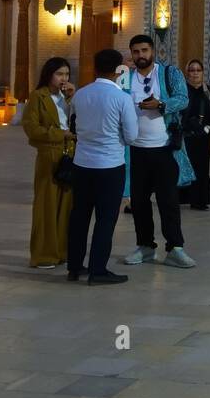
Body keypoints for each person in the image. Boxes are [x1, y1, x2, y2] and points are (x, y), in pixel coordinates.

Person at [118, 34, 196, 269]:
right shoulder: (125, 78)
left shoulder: (169, 73)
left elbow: (183, 99)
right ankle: (145, 246)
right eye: (136, 52)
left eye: (144, 50)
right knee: (139, 203)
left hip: (164, 149)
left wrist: (161, 105)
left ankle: (175, 248)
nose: (140, 55)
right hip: (136, 150)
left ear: (152, 51)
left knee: (168, 201)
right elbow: (116, 102)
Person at [67, 49, 138, 285]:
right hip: (109, 166)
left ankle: (75, 267)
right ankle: (98, 270)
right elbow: (131, 136)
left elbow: (73, 126)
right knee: (106, 219)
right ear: (119, 70)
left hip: (82, 164)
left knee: (79, 217)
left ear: (95, 68)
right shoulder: (122, 98)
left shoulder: (81, 95)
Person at [22, 57, 76, 268]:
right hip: (49, 154)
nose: (64, 78)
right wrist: (59, 134)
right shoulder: (38, 96)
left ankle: (61, 251)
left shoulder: (68, 97)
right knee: (47, 205)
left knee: (66, 207)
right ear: (49, 74)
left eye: (67, 74)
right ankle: (44, 254)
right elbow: (31, 127)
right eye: (59, 74)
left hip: (70, 154)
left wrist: (72, 98)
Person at [179, 59, 210, 210]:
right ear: (187, 73)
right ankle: (186, 198)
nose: (195, 73)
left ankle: (200, 199)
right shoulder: (183, 90)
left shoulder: (207, 90)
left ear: (203, 72)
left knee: (202, 167)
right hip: (187, 136)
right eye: (192, 70)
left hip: (203, 136)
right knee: (188, 166)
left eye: (198, 70)